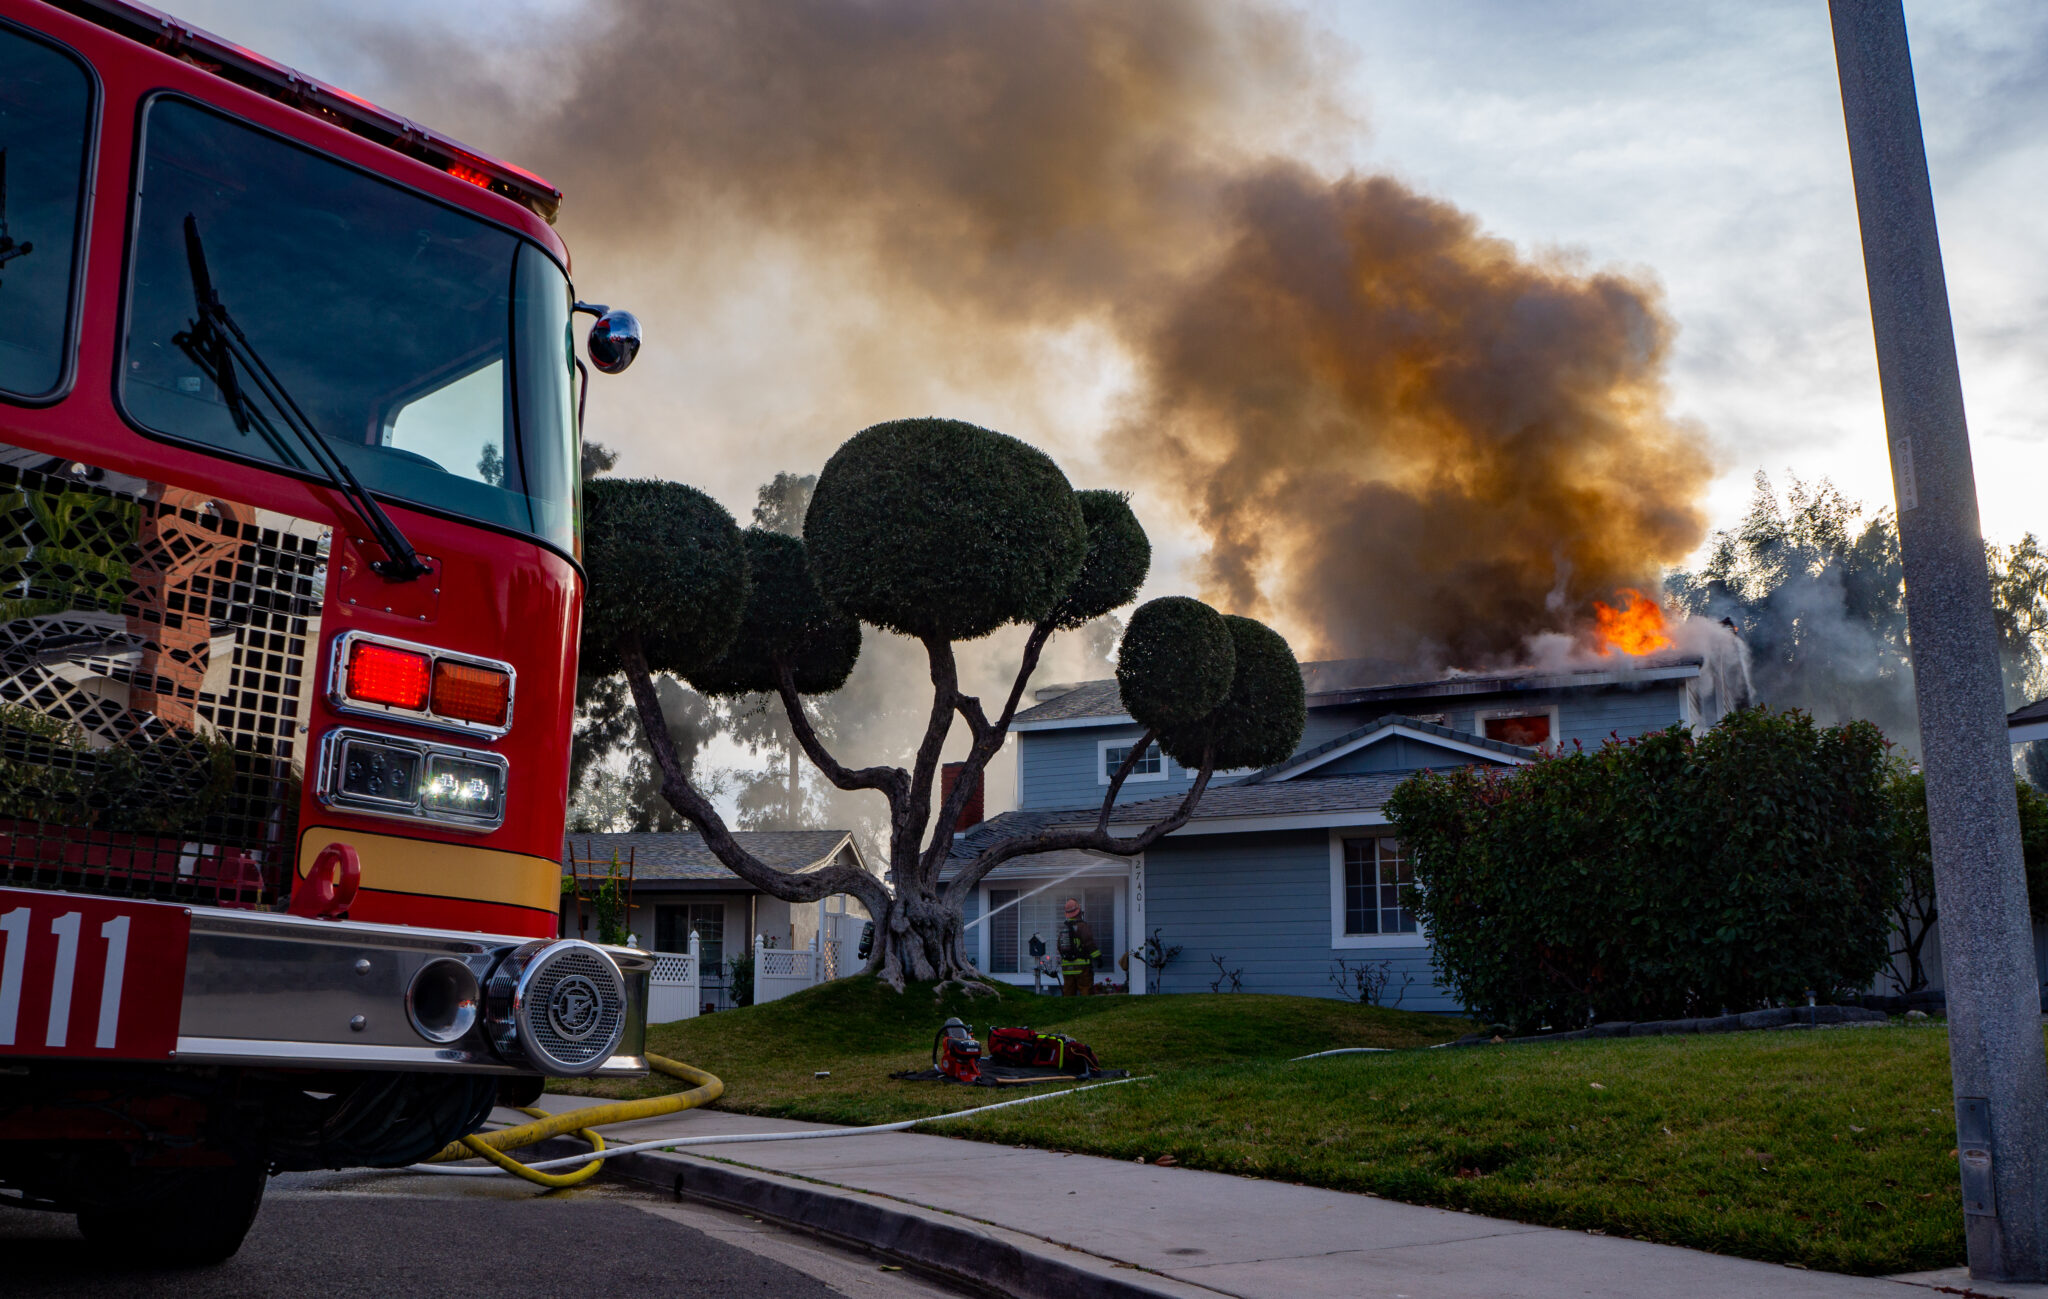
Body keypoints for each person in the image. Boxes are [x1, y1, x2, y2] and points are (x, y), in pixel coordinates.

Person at [1057, 897, 1098, 997]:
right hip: (1082, 967)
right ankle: (1086, 1012)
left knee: (1068, 993)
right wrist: (1098, 957)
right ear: (1079, 911)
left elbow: (1059, 946)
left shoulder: (1064, 928)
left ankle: (1068, 1011)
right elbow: (1089, 943)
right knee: (1085, 991)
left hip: (1067, 967)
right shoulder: (1082, 926)